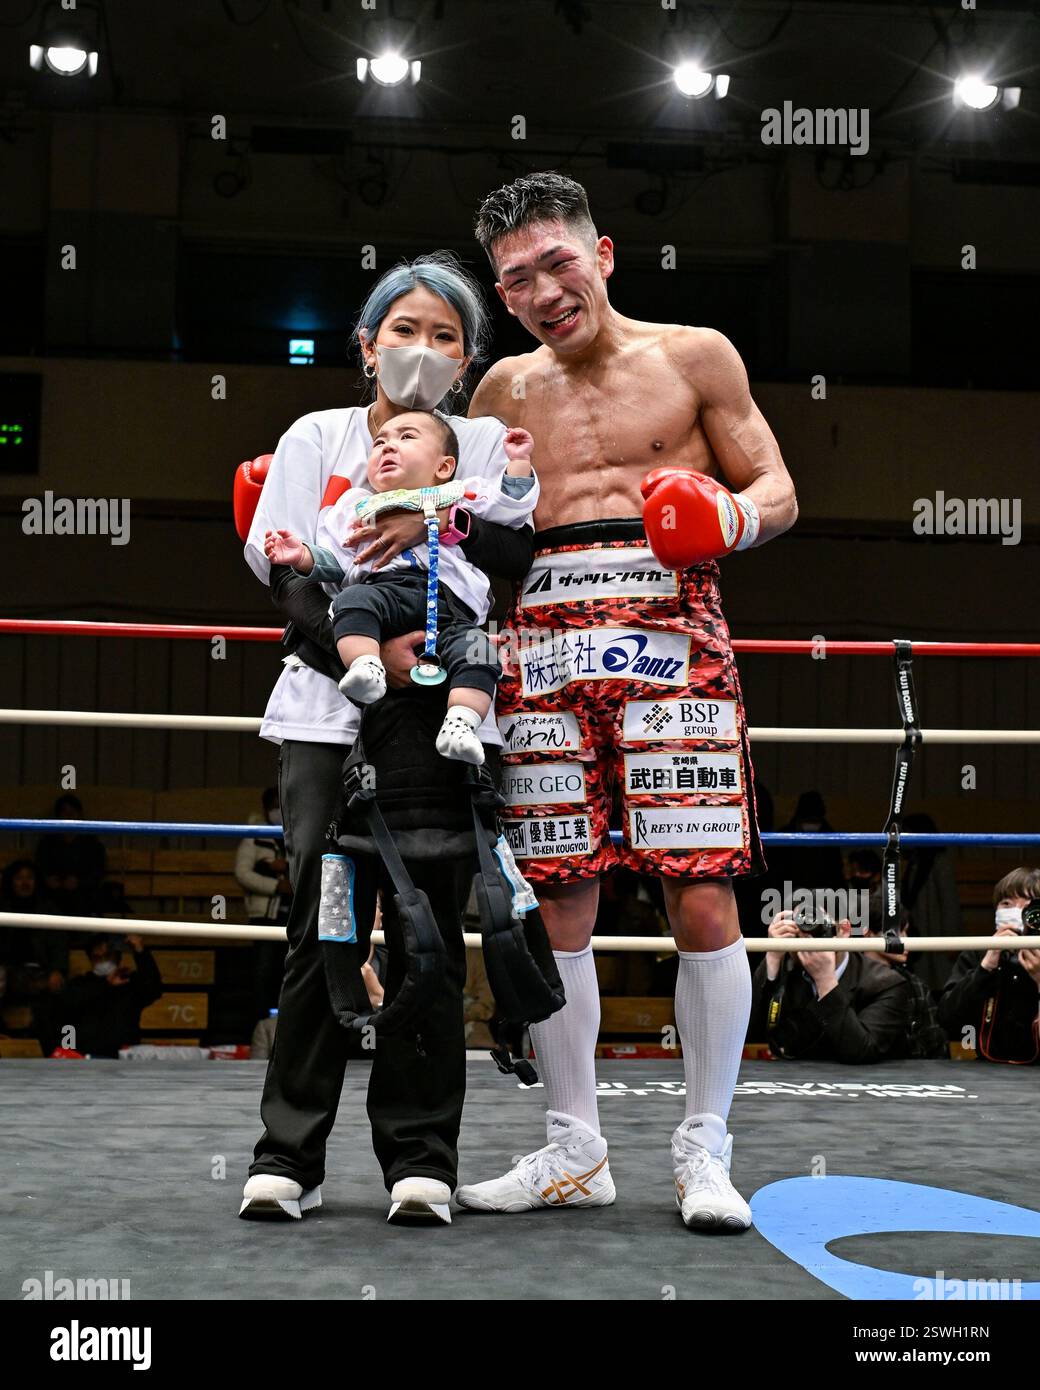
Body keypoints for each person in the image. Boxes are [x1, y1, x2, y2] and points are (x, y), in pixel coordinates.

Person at [455, 171, 797, 1230]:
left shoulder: (694, 354)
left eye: (558, 262)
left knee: (696, 891)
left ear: (601, 255)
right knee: (559, 895)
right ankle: (574, 1148)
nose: (543, 289)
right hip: (541, 641)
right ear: (502, 295)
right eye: (517, 279)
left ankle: (704, 1152)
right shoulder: (497, 393)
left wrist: (724, 523)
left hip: (667, 632)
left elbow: (776, 490)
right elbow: (479, 539)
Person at [238, 251, 541, 1223]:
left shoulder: (487, 444)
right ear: (365, 344)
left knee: (431, 936)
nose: (420, 349)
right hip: (329, 721)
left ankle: (421, 1160)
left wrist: (421, 668)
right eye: (403, 330)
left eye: (443, 335)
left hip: (443, 730)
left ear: (466, 357)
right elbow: (291, 587)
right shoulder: (315, 437)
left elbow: (506, 564)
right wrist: (376, 670)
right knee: (318, 927)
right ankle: (289, 1155)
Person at [264, 410, 538, 764]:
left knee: (479, 651)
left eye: (406, 438)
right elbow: (335, 561)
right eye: (380, 442)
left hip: (450, 607)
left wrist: (518, 464)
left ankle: (462, 723)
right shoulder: (354, 507)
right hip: (383, 596)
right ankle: (366, 665)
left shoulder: (457, 495)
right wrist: (301, 556)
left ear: (444, 466)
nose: (388, 446)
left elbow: (508, 507)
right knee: (350, 601)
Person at [747, 904, 914, 1063]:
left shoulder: (885, 982)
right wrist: (772, 957)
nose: (808, 940)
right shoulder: (785, 969)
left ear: (844, 930)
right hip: (792, 1081)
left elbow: (862, 1050)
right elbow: (747, 1034)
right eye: (801, 930)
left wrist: (826, 983)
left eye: (819, 929)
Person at [937, 868, 1040, 1064]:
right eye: (1007, 904)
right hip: (985, 1072)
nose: (1016, 911)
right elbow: (948, 1019)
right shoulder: (978, 953)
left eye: (1027, 906)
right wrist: (985, 968)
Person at [234, 787, 291, 1018]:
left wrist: (286, 867)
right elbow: (242, 873)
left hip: (294, 915)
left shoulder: (298, 832)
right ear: (266, 809)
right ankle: (259, 1025)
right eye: (273, 806)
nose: (278, 811)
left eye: (281, 805)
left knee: (289, 971)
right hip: (264, 917)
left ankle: (287, 1026)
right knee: (262, 972)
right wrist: (276, 885)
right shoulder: (254, 835)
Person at [61, 933, 163, 1058]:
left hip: (125, 1058)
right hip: (88, 1059)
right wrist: (106, 984)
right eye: (97, 957)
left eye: (108, 956)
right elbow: (69, 1003)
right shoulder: (80, 984)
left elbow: (154, 989)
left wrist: (140, 951)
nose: (103, 961)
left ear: (117, 957)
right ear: (90, 959)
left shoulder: (129, 982)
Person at [900, 812, 961, 994]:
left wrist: (953, 940)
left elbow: (950, 904)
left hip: (936, 929)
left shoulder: (939, 863)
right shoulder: (913, 863)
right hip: (918, 928)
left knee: (940, 979)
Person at [34, 794, 106, 917]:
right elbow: (39, 868)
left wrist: (80, 882)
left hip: (83, 897)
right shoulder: (47, 842)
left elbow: (98, 871)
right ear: (58, 816)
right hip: (52, 896)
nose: (69, 815)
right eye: (64, 812)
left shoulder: (91, 843)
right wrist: (47, 880)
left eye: (73, 812)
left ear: (80, 815)